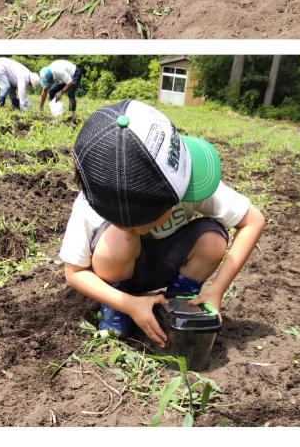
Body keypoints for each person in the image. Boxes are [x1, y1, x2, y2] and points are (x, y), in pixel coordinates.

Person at [60, 100, 265, 343]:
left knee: (212, 239)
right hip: (123, 272)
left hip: (168, 263)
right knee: (118, 240)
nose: (190, 188)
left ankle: (179, 301)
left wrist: (216, 289)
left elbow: (253, 220)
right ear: (137, 222)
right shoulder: (93, 206)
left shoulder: (186, 177)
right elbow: (74, 272)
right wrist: (130, 304)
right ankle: (117, 306)